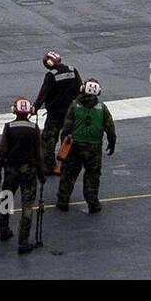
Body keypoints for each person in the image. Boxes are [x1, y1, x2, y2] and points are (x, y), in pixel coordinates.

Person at [0, 97, 47, 254]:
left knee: (7, 199)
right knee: (27, 205)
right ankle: (23, 242)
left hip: (11, 170)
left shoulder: (9, 127)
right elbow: (39, 154)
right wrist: (41, 174)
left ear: (14, 111)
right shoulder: (34, 128)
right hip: (29, 171)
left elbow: (2, 150)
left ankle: (3, 230)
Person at [57, 78, 116, 214]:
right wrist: (112, 143)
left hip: (75, 146)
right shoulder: (102, 108)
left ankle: (63, 201)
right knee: (92, 176)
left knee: (69, 174)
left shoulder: (74, 105)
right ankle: (93, 203)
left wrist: (63, 144)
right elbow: (110, 129)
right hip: (93, 148)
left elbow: (66, 127)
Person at [32, 50, 82, 174]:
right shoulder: (73, 70)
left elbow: (43, 95)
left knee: (48, 140)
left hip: (55, 115)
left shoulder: (51, 75)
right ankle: (65, 166)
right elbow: (80, 90)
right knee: (67, 140)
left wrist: (35, 108)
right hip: (71, 113)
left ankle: (49, 167)